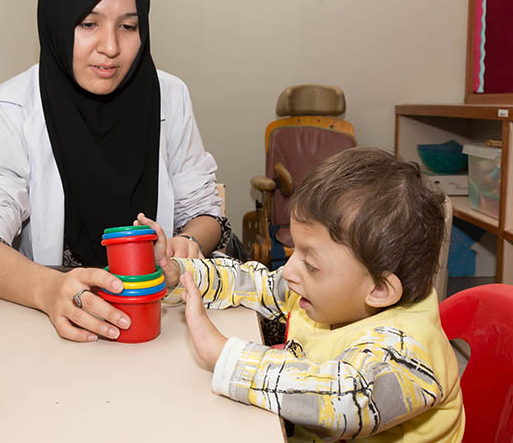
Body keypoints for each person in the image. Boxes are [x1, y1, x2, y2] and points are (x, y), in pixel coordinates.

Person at [0, 0, 229, 343]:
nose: (110, 48)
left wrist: (183, 245)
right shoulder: (10, 110)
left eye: (128, 26)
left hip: (158, 318)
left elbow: (204, 211)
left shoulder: (169, 97)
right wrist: (47, 289)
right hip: (48, 328)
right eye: (88, 24)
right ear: (57, 22)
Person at [139, 147, 464, 441]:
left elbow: (344, 399)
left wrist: (226, 356)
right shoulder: (322, 292)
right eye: (295, 251)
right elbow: (259, 284)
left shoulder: (410, 353)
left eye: (311, 264)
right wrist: (181, 273)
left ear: (379, 289)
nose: (289, 271)